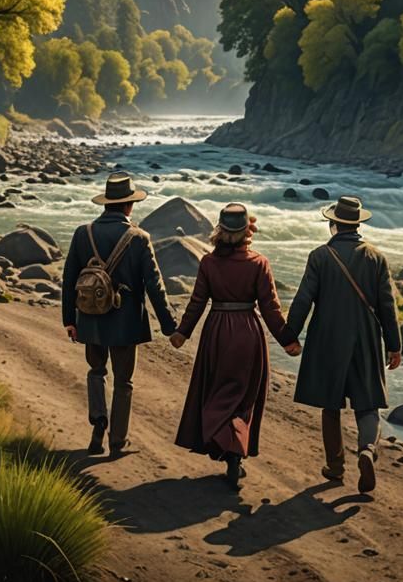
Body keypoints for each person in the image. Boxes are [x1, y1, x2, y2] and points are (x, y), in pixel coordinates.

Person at [170, 203, 301, 488]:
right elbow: (270, 308)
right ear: (247, 232)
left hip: (216, 332)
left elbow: (197, 302)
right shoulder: (259, 263)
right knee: (243, 397)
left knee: (217, 392)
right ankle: (234, 457)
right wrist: (288, 341)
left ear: (219, 230)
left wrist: (182, 333)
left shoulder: (208, 262)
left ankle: (221, 441)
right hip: (247, 334)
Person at [285, 195, 402, 494]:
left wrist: (289, 336)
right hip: (366, 338)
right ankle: (367, 450)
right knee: (368, 404)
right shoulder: (376, 257)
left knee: (331, 405)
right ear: (358, 224)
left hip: (327, 338)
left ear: (333, 224)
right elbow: (387, 306)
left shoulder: (320, 256)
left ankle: (335, 467)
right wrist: (394, 345)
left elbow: (303, 300)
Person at [62, 172, 177, 457]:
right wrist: (169, 326)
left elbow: (69, 279)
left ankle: (98, 423)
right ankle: (117, 441)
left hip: (90, 318)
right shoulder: (139, 238)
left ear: (106, 203)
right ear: (129, 205)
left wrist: (69, 321)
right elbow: (155, 286)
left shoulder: (83, 233)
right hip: (126, 323)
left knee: (96, 371)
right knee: (123, 382)